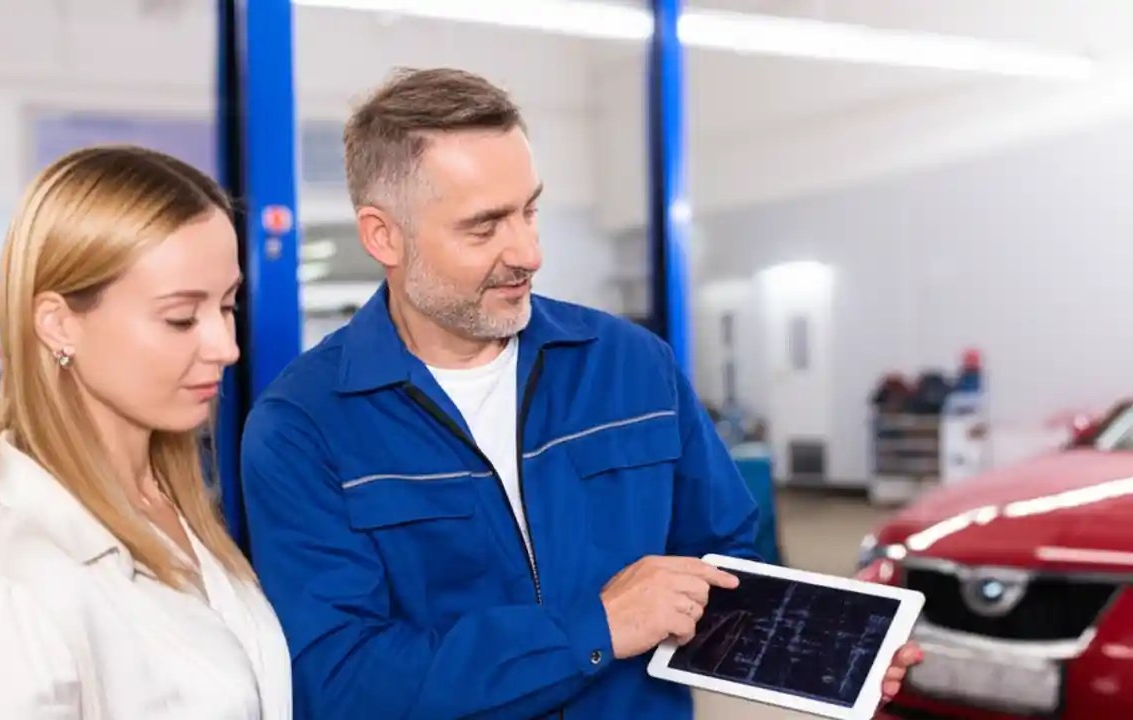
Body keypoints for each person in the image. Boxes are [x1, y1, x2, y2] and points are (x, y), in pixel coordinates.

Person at [240, 68, 919, 719]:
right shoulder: (304, 427)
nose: (528, 252)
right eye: (485, 226)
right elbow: (342, 682)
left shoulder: (632, 367)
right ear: (383, 236)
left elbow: (722, 569)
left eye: (530, 211)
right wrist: (594, 628)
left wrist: (825, 653)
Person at [0, 146, 291, 719]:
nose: (226, 348)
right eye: (181, 317)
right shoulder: (15, 583)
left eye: (227, 306)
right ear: (58, 324)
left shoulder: (173, 504)